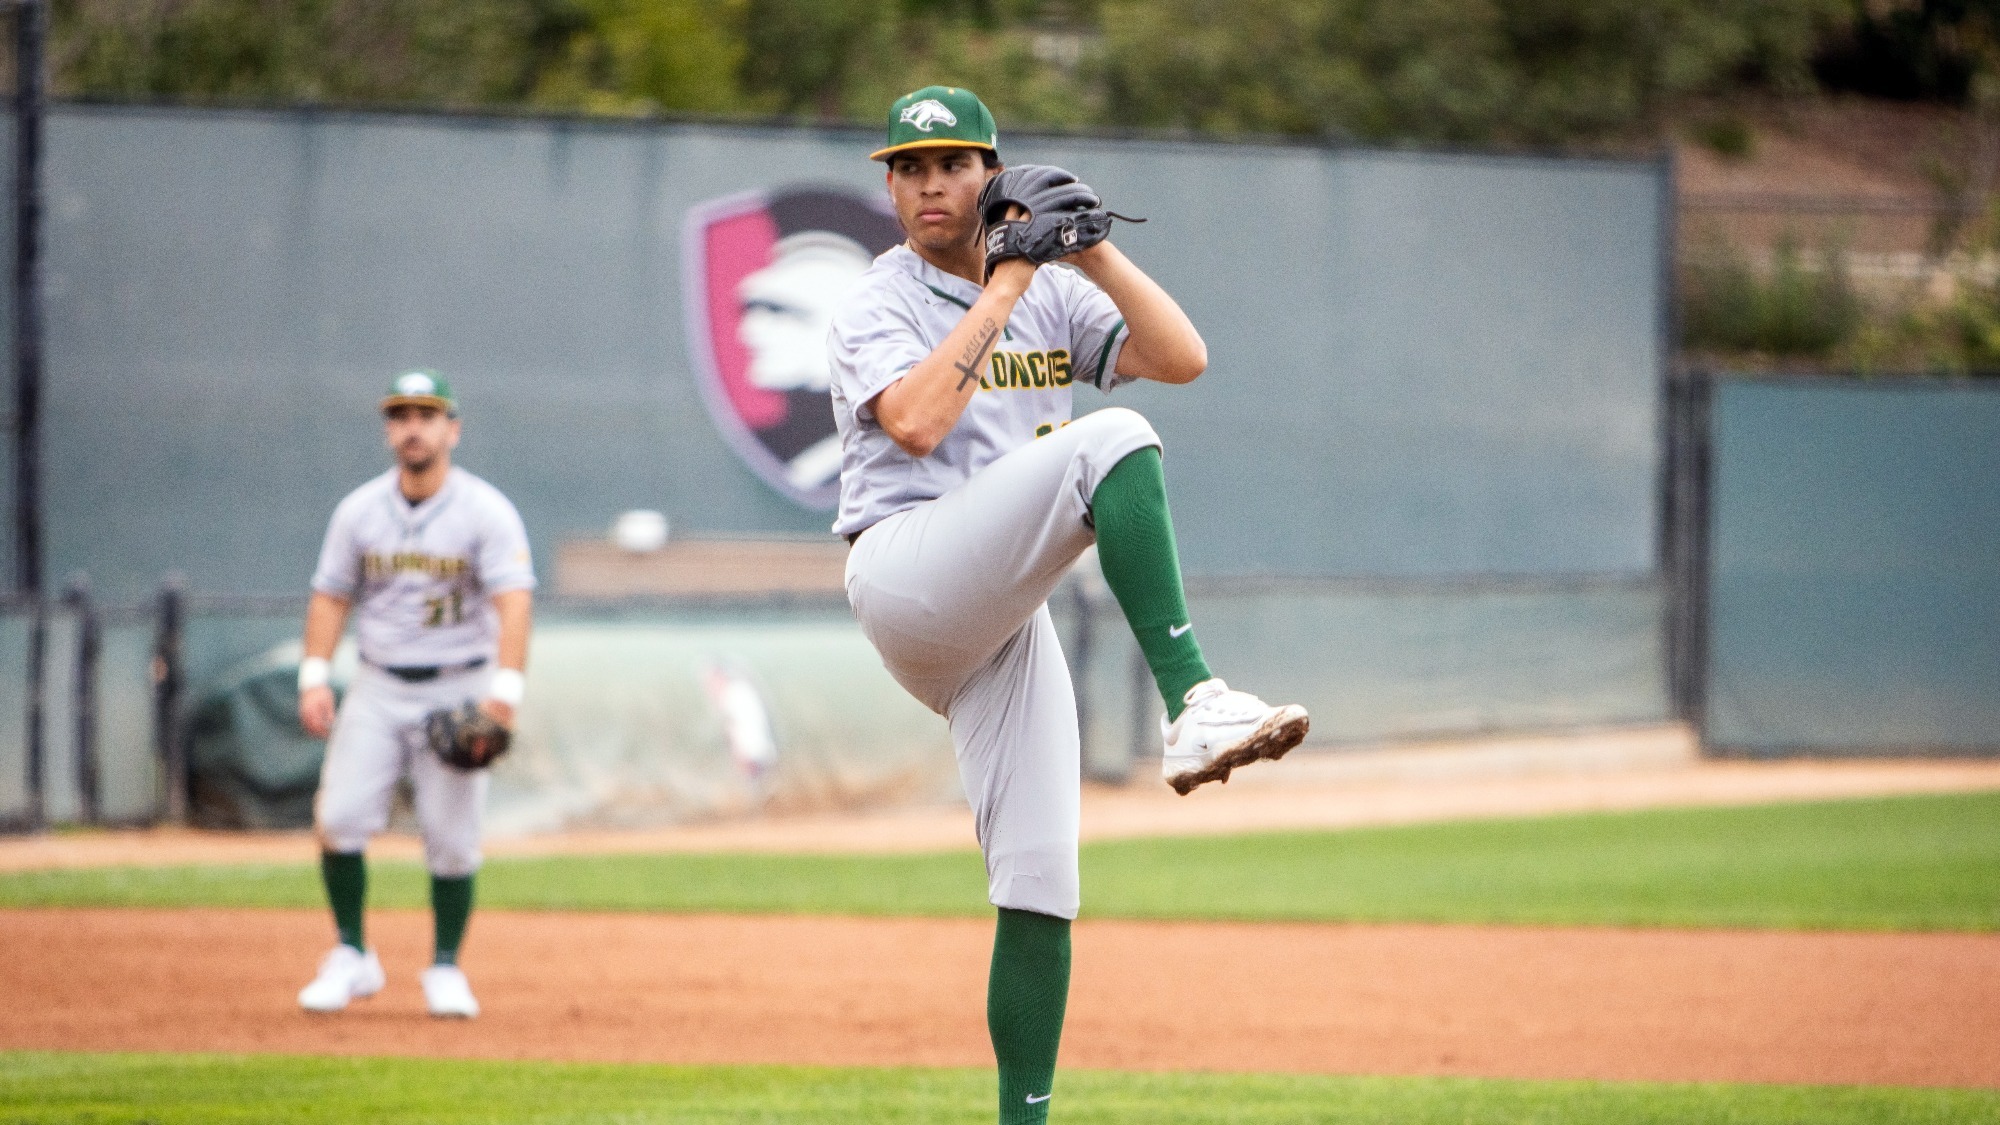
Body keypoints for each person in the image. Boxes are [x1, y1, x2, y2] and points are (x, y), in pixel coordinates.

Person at [829, 86, 1309, 1124]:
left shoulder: (1047, 288)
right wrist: (1003, 285)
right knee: (1109, 440)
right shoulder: (879, 298)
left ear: (990, 170)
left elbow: (1182, 358)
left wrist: (1090, 253)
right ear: (888, 185)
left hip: (999, 612)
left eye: (950, 164)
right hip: (908, 571)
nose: (926, 185)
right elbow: (911, 424)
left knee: (1041, 877)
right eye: (907, 168)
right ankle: (1194, 699)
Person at [293, 369, 535, 1019]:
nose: (414, 427)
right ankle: (351, 953)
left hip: (457, 684)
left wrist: (503, 692)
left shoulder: (484, 510)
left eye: (427, 414)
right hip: (377, 682)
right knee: (340, 817)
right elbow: (331, 593)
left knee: (453, 839)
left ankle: (446, 966)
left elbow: (514, 603)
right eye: (401, 415)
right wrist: (314, 673)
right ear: (388, 430)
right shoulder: (359, 511)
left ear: (452, 429)